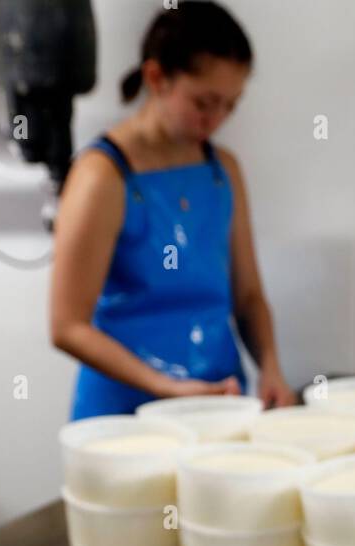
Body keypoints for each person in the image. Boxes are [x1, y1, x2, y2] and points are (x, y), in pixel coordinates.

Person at [51, 1, 295, 420]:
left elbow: (249, 296)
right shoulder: (102, 177)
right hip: (126, 412)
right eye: (204, 102)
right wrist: (166, 388)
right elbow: (67, 326)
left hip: (217, 398)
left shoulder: (223, 171)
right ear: (157, 77)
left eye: (230, 105)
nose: (217, 118)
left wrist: (270, 366)